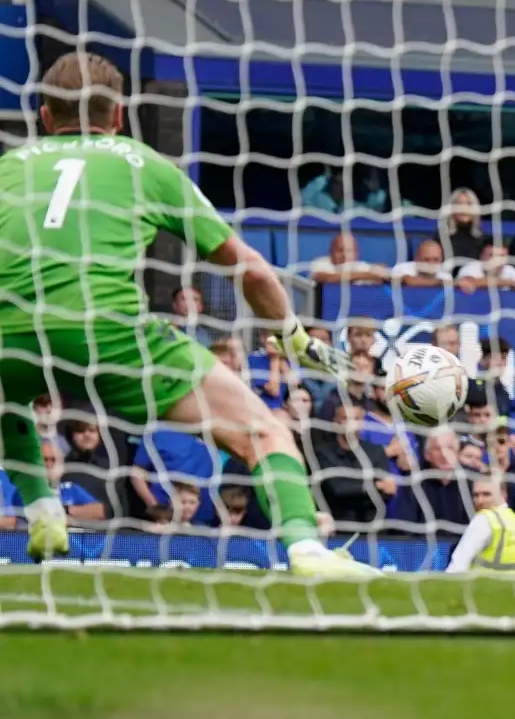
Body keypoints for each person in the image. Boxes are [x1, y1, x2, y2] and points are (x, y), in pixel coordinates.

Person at [0, 54, 371, 578]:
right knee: (263, 432)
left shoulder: (9, 167)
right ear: (121, 115)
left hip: (10, 333)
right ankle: (308, 552)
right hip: (108, 335)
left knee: (9, 388)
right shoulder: (145, 165)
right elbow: (256, 273)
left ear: (43, 116)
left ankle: (42, 514)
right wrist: (290, 335)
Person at [444, 477, 515, 576]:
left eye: (486, 494)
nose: (479, 500)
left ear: (503, 494)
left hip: (483, 592)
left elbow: (458, 564)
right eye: (476, 495)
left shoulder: (483, 520)